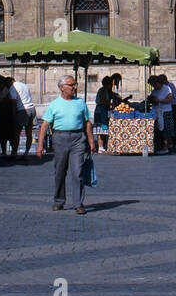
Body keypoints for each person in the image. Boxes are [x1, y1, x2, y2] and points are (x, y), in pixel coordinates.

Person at [36, 74, 96, 213]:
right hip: (60, 138)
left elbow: (87, 122)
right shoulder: (54, 104)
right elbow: (45, 125)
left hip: (78, 139)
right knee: (60, 172)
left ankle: (78, 203)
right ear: (62, 88)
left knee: (77, 172)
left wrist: (91, 141)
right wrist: (40, 145)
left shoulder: (80, 103)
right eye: (71, 85)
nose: (74, 87)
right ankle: (59, 200)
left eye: (74, 84)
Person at [149, 74, 176, 153]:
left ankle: (166, 147)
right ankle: (167, 145)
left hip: (165, 111)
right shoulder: (154, 91)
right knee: (160, 129)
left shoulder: (167, 89)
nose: (154, 86)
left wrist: (159, 100)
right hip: (157, 111)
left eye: (154, 84)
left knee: (166, 130)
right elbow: (152, 98)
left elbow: (169, 99)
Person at [11, 75, 37, 153]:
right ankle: (26, 152)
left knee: (17, 132)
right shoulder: (24, 85)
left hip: (22, 110)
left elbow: (13, 101)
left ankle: (14, 152)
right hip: (31, 108)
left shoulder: (13, 87)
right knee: (29, 132)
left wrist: (13, 114)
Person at [0, 77, 18, 159]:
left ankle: (13, 152)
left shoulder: (7, 89)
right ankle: (3, 151)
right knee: (2, 135)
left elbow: (0, 99)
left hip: (8, 114)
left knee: (10, 134)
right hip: (1, 113)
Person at [93, 76, 114, 154]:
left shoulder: (106, 90)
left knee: (103, 129)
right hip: (101, 111)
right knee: (101, 129)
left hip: (103, 110)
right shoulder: (103, 90)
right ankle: (100, 147)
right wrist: (110, 103)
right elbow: (102, 101)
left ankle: (103, 146)